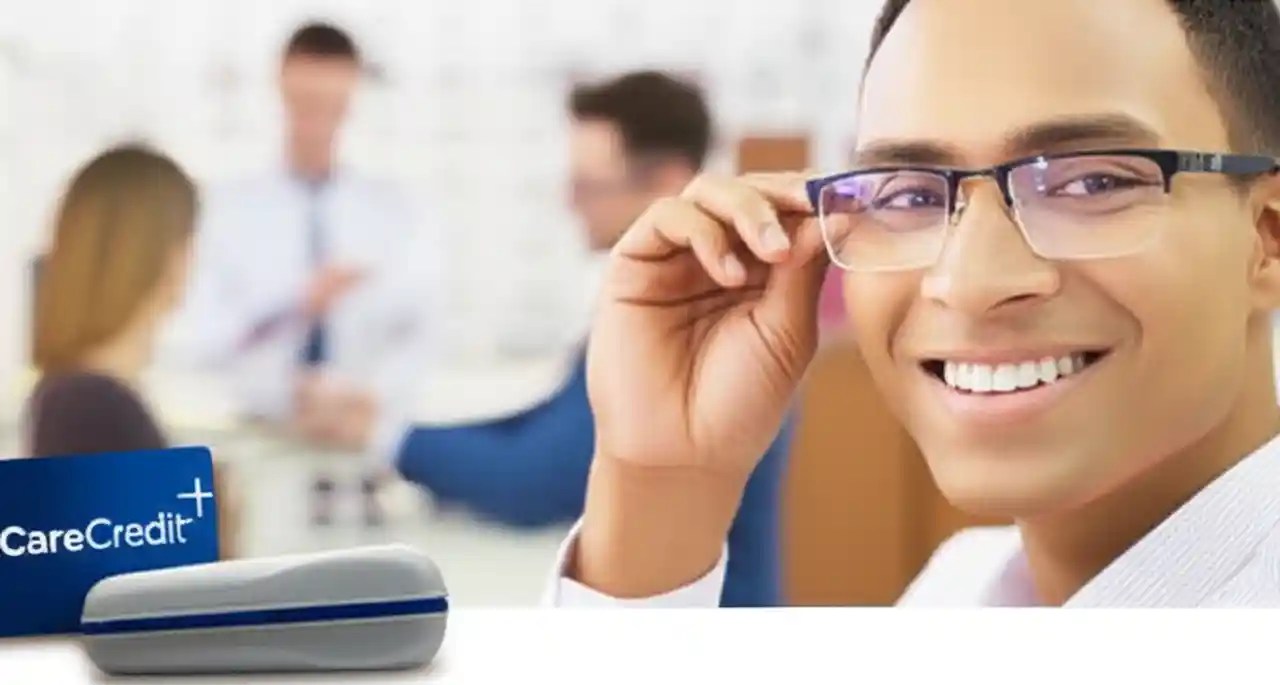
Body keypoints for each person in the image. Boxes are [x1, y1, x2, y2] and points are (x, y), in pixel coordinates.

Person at [544, 0, 1280, 608]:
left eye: (1093, 182)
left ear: (1268, 239)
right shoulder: (959, 592)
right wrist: (662, 485)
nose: (967, 281)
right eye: (911, 194)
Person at [308, 72, 791, 607]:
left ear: (666, 184)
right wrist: (385, 420)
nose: (569, 205)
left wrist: (383, 432)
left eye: (588, 186)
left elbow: (538, 477)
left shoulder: (701, 309)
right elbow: (551, 425)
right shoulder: (672, 295)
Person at [159, 22, 444, 506]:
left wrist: (370, 403)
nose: (318, 121)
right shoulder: (229, 210)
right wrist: (296, 300)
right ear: (281, 89)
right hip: (258, 444)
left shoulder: (391, 213)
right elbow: (195, 337)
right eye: (306, 104)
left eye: (332, 106)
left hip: (360, 457)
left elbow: (421, 332)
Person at [25, 144, 239, 559]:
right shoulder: (93, 407)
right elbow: (152, 603)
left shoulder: (72, 398)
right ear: (171, 256)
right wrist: (215, 524)